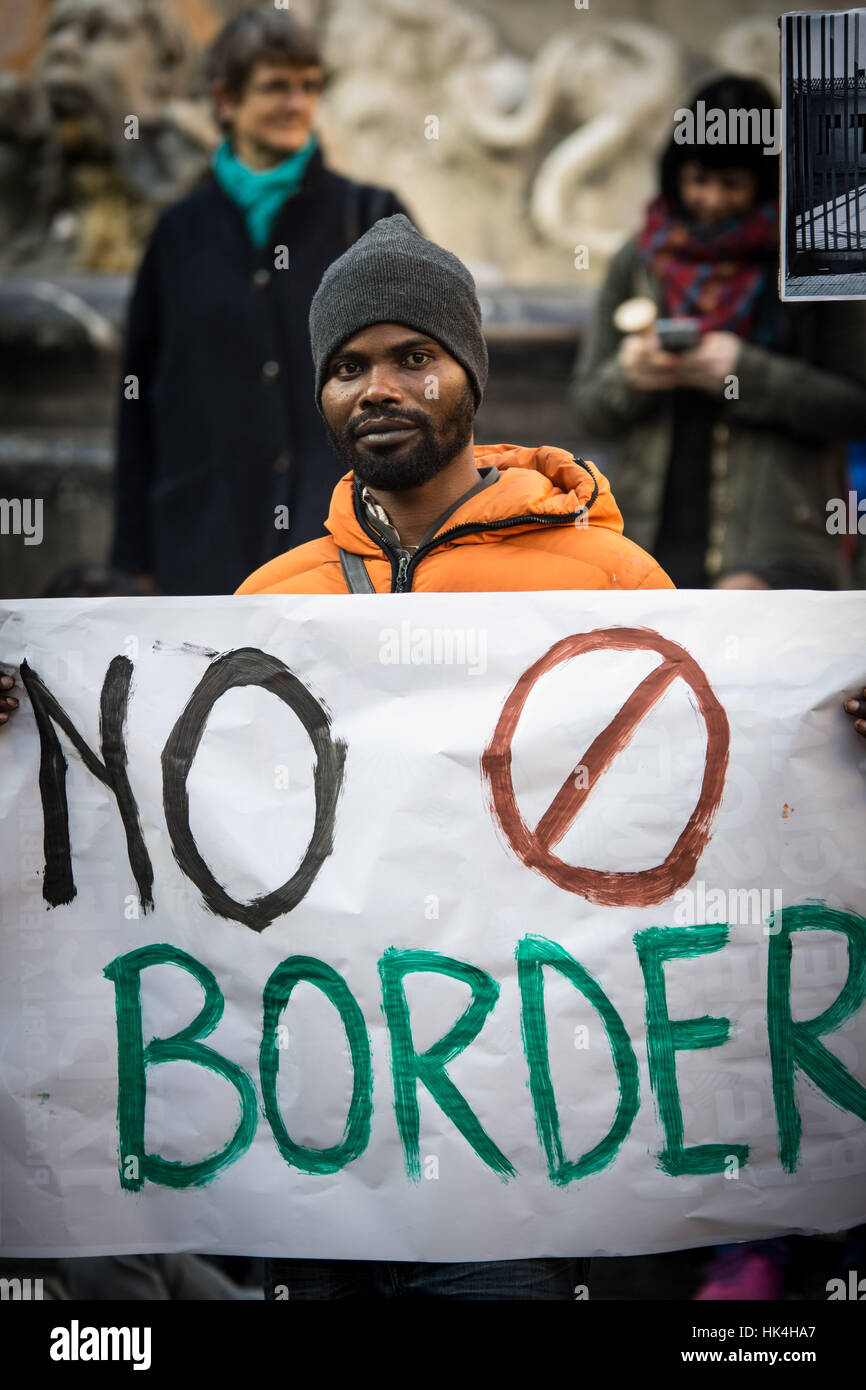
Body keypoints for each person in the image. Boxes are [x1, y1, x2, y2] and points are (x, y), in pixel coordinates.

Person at [109, 5, 410, 598]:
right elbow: (137, 399)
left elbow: (427, 366)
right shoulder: (178, 232)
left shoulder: (370, 215)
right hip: (202, 543)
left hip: (343, 542)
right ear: (226, 100)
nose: (296, 103)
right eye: (276, 86)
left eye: (308, 87)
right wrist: (133, 552)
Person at [570, 74, 866, 589]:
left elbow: (855, 405)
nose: (710, 199)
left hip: (778, 548)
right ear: (674, 175)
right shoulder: (640, 258)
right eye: (697, 180)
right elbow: (590, 404)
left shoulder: (813, 265)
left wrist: (744, 372)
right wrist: (631, 375)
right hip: (648, 539)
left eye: (730, 184)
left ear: (767, 181)